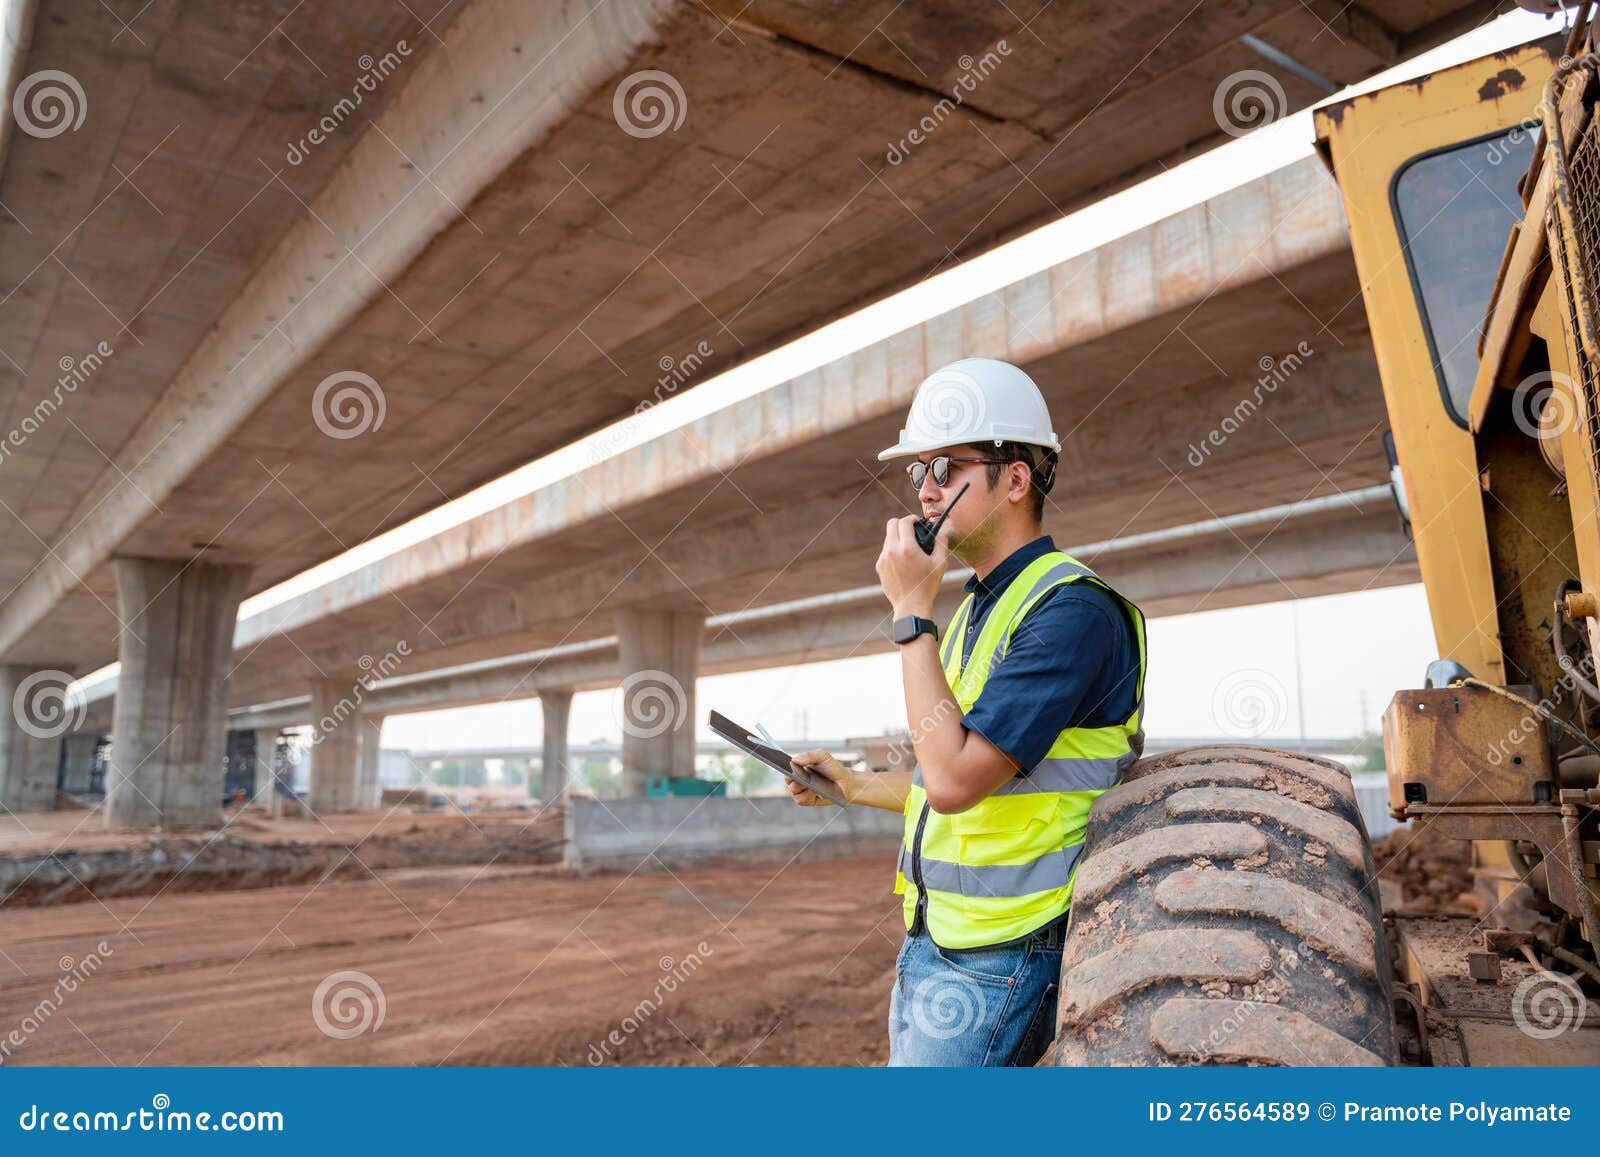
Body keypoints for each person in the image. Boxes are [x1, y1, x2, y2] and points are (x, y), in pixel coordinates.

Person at [785, 357, 1147, 1066]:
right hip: (939, 939)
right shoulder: (986, 605)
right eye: (919, 470)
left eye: (947, 467)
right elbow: (950, 765)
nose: (926, 489)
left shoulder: (1069, 611)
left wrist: (912, 611)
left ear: (1015, 478)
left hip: (1003, 953)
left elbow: (952, 782)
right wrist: (853, 783)